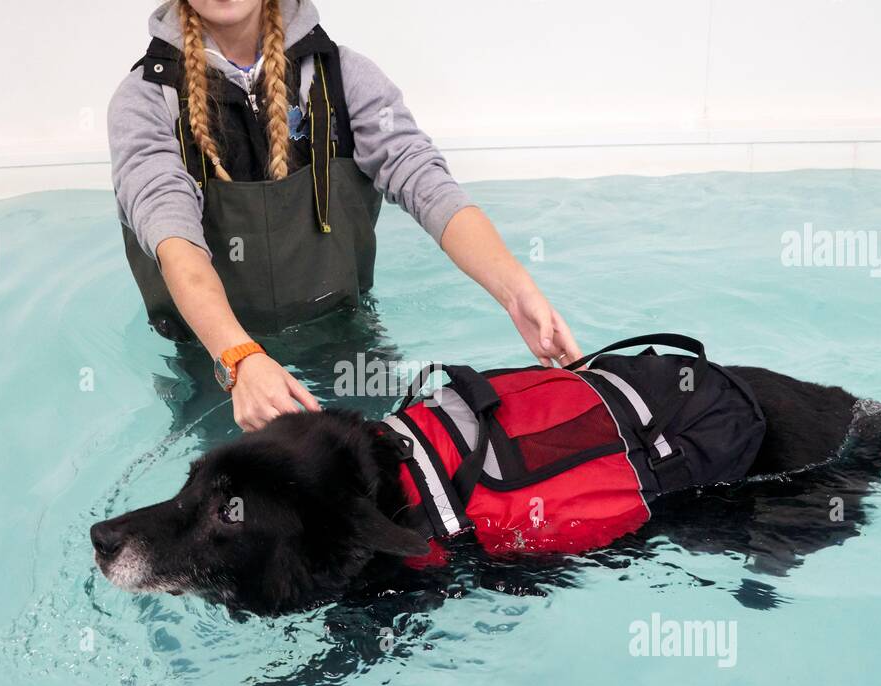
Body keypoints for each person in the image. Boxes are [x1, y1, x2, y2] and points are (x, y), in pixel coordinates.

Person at [109, 0, 582, 431]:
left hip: (340, 333)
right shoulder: (147, 100)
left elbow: (426, 182)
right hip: (209, 351)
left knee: (392, 472)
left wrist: (517, 292)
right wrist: (238, 358)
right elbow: (174, 242)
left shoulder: (344, 77)